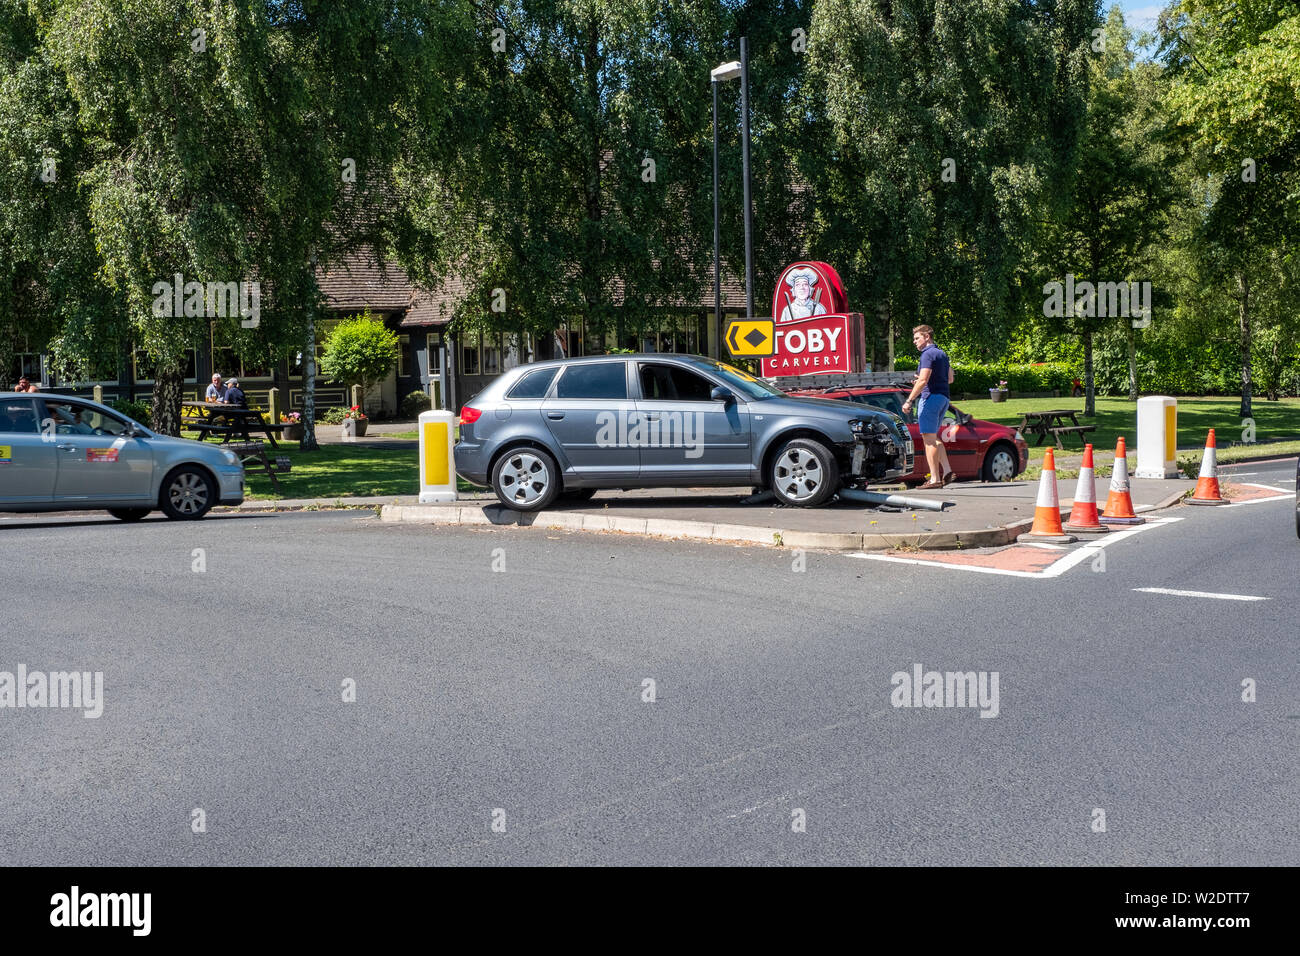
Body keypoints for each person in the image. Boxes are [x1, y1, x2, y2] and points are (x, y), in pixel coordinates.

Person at [901, 324, 956, 489]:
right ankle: (947, 471)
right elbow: (950, 378)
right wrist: (922, 380)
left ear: (927, 337)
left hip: (930, 398)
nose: (914, 341)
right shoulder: (941, 354)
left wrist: (909, 400)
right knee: (934, 437)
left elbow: (924, 380)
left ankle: (934, 479)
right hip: (943, 398)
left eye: (917, 338)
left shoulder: (927, 354)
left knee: (928, 440)